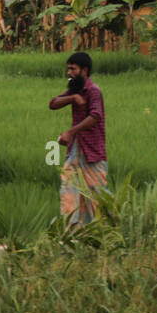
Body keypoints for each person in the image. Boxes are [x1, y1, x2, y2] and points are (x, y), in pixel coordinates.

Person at [49, 51, 106, 228]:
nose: (69, 73)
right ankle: (71, 232)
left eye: (73, 69)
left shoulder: (93, 91)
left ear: (84, 70)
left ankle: (103, 231)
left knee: (97, 196)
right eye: (68, 69)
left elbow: (95, 116)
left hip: (92, 152)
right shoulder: (76, 91)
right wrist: (72, 97)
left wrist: (71, 132)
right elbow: (53, 103)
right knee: (69, 190)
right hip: (75, 152)